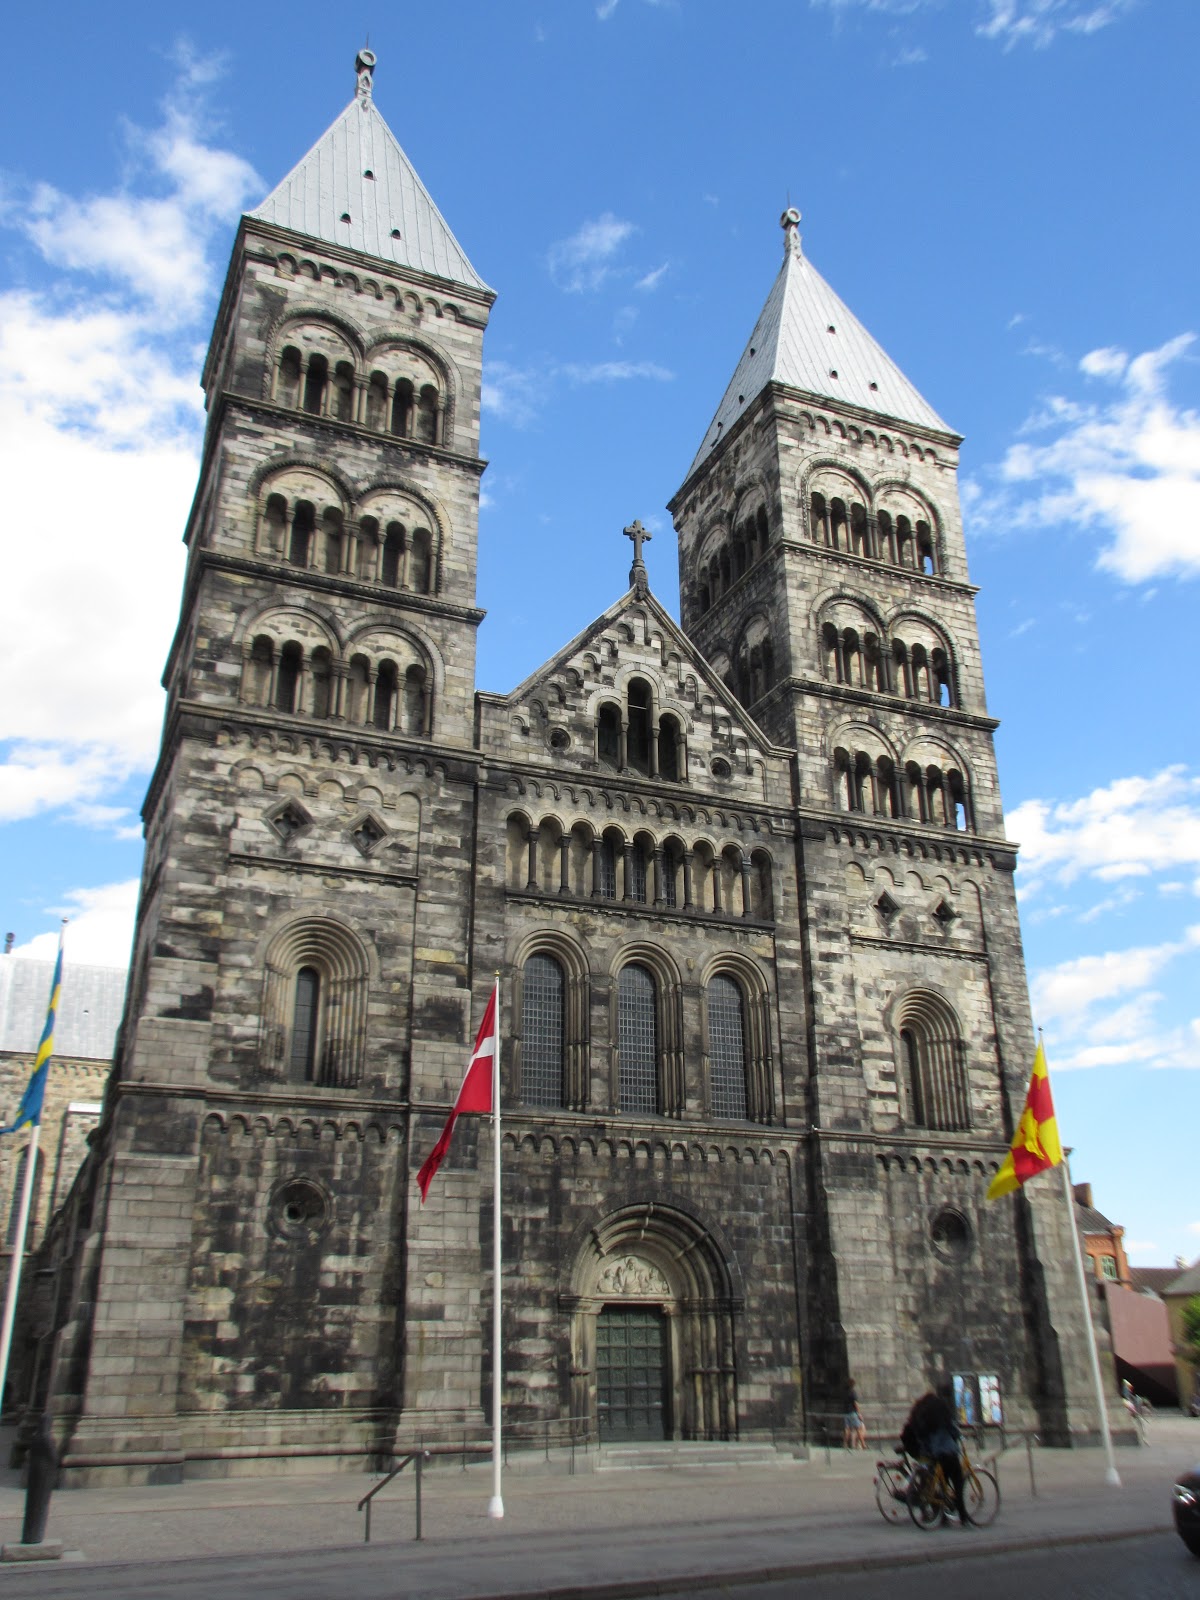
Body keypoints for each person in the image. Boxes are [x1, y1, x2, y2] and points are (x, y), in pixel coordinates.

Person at [903, 1387, 970, 1526]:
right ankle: (963, 1517)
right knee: (958, 1482)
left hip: (931, 1453)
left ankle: (943, 1516)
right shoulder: (942, 1413)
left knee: (942, 1484)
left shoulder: (921, 1414)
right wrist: (959, 1436)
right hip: (947, 1451)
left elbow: (919, 1433)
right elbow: (952, 1429)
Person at [843, 1381, 867, 1449]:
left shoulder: (845, 1393)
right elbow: (855, 1403)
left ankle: (845, 1444)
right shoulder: (853, 1392)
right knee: (859, 1429)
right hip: (853, 1413)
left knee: (847, 1429)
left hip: (846, 1413)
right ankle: (863, 1444)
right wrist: (859, 1413)